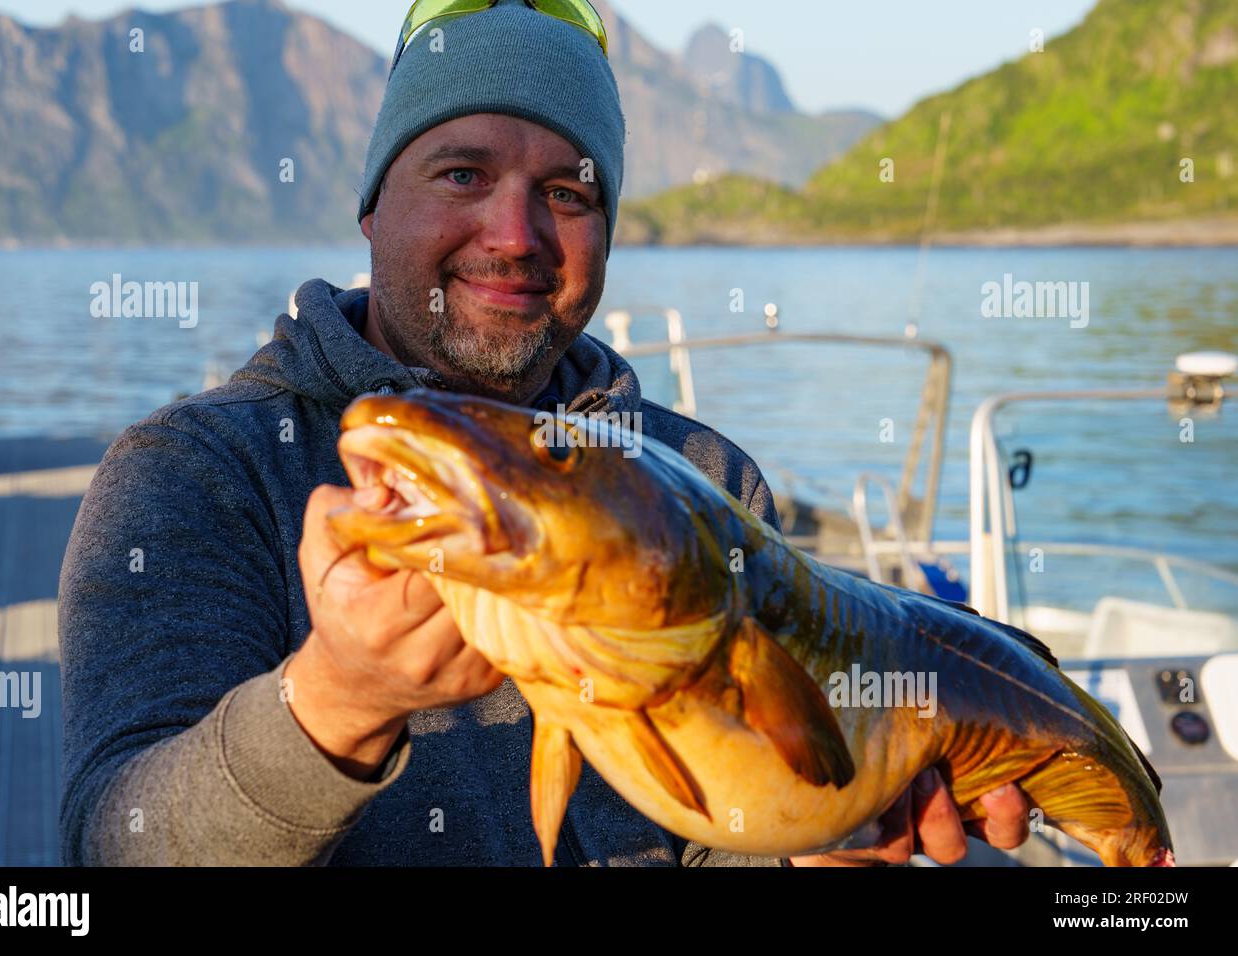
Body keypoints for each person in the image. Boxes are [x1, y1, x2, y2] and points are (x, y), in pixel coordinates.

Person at [58, 0, 1030, 866]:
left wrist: (815, 839)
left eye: (567, 192)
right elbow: (111, 840)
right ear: (369, 205)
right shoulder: (196, 472)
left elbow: (725, 821)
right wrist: (335, 702)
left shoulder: (704, 476)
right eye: (461, 171)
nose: (515, 234)